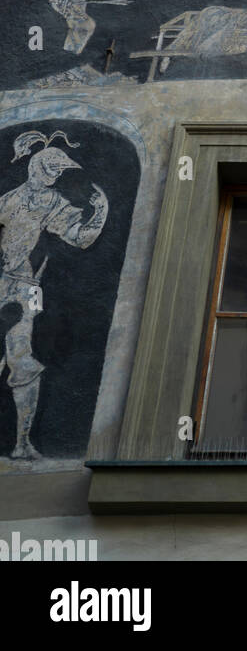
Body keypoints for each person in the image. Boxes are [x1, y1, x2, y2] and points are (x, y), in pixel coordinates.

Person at [0, 132, 108, 459]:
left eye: (59, 172)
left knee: (23, 360)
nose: (56, 176)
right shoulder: (8, 199)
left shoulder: (54, 203)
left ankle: (21, 444)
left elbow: (80, 238)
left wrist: (100, 212)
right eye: (53, 170)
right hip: (7, 282)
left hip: (26, 288)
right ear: (38, 168)